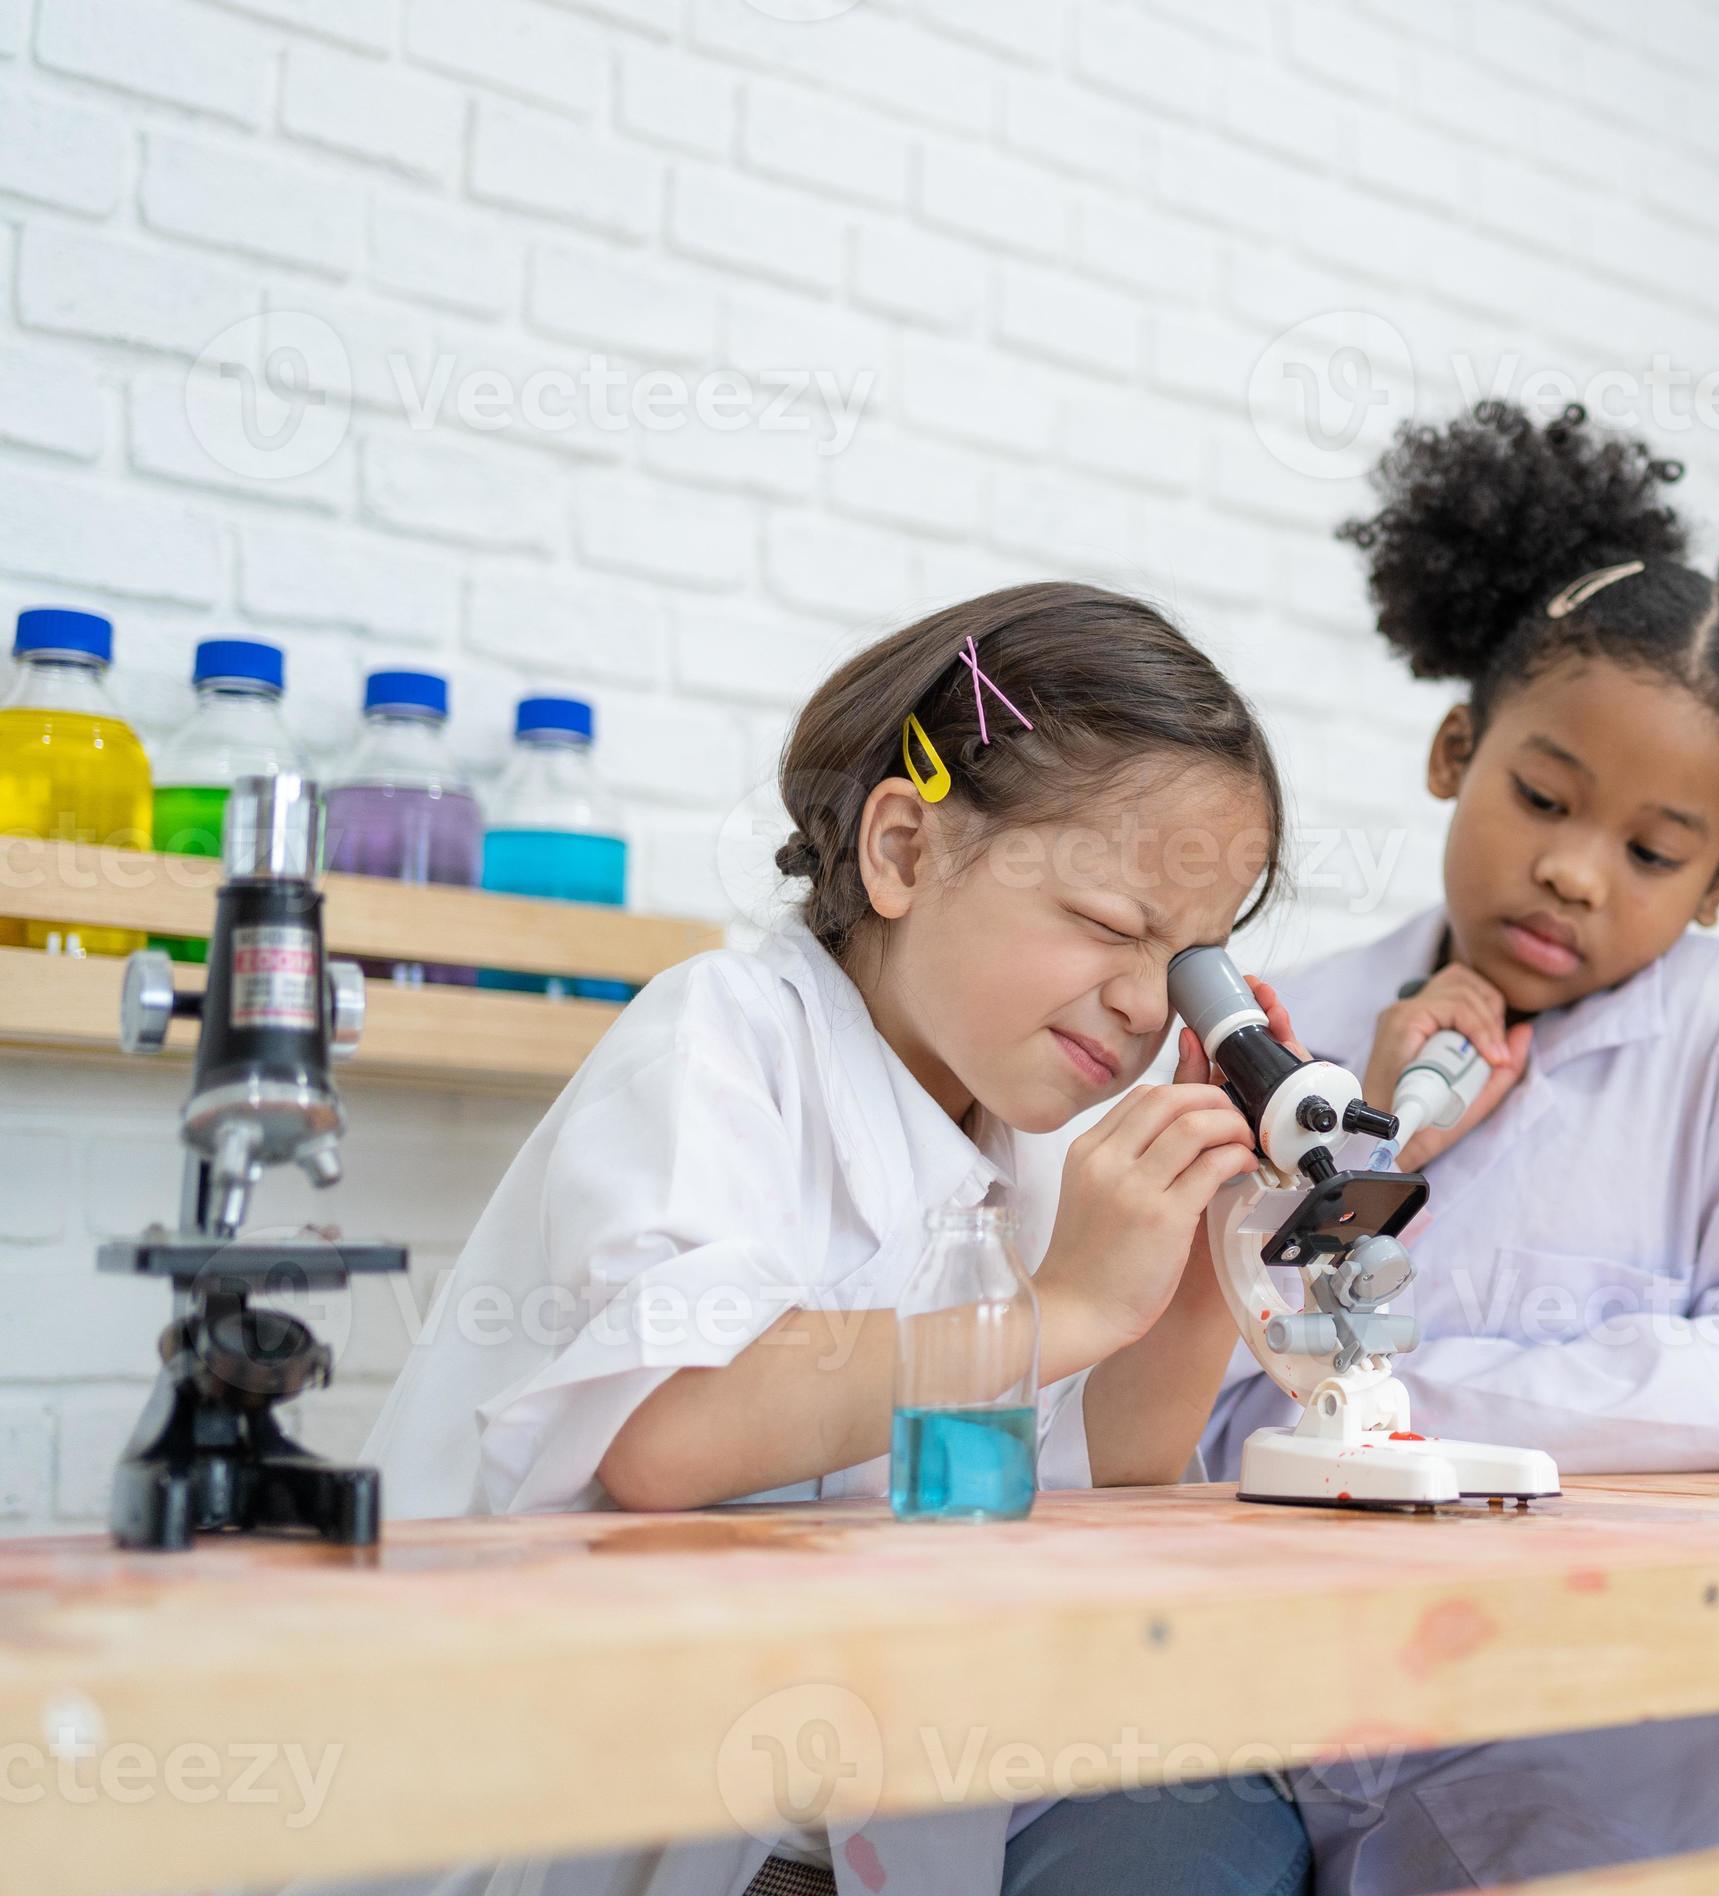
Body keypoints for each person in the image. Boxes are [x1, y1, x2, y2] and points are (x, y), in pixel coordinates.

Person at [350, 583, 1313, 1896]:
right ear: (906, 853)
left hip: (833, 1767)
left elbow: (1116, 1463)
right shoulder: (720, 1039)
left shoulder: (1020, 1133)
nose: (1145, 1005)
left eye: (1191, 960)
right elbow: (667, 1431)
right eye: (1105, 926)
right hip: (565, 1788)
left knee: (1226, 1815)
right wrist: (1062, 1307)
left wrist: (1200, 1231)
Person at [1202, 401, 1719, 1892]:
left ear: (1718, 881)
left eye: (1653, 852)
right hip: (1270, 1710)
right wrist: (1373, 1125)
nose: (1576, 870)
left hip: (1561, 1751)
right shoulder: (1298, 1024)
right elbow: (1199, 1388)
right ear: (1456, 748)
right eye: (1540, 797)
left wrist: (1429, 1405)